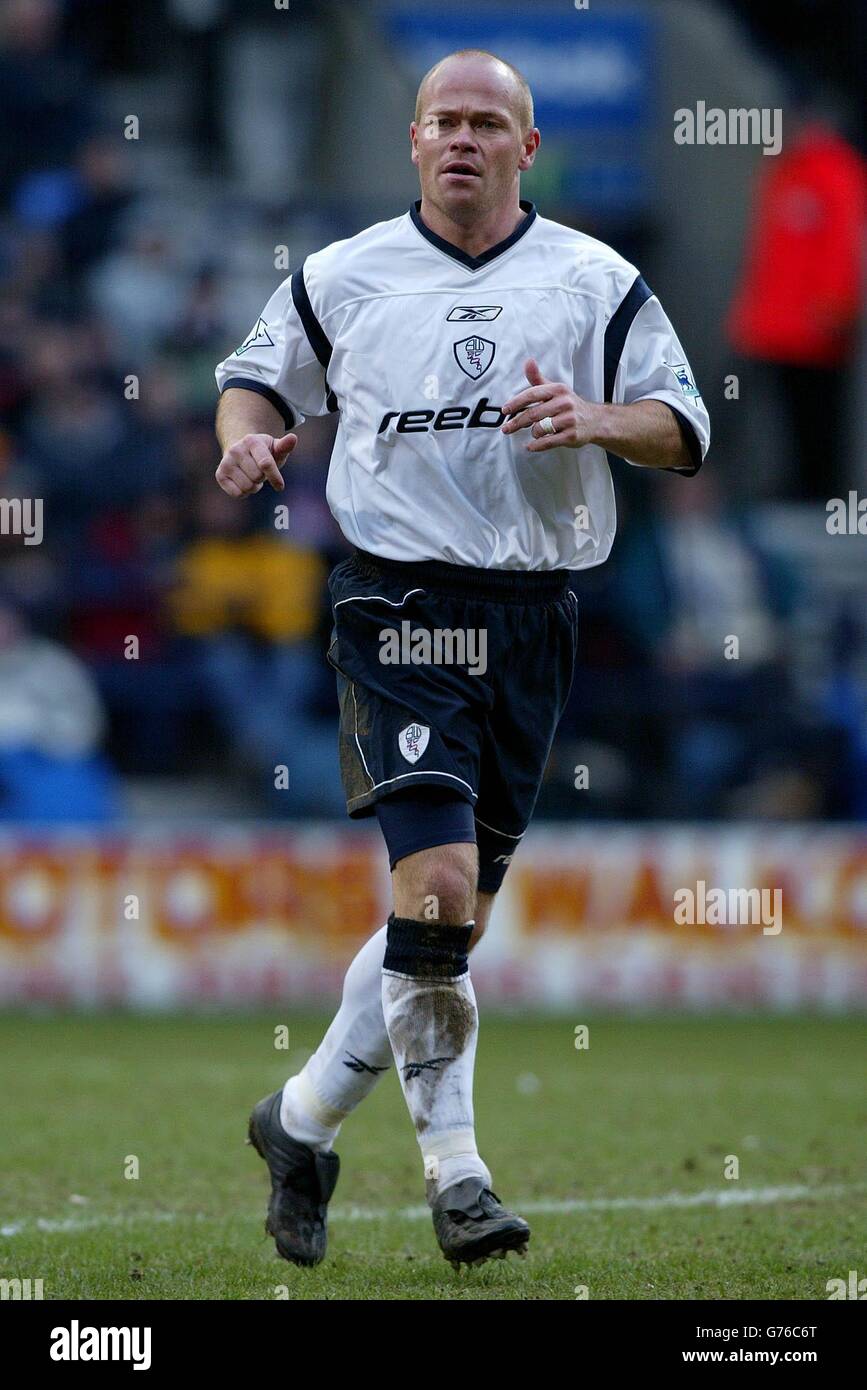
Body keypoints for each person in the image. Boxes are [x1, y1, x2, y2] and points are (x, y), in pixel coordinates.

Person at [213, 49, 710, 1269]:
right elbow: (252, 387)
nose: (463, 140)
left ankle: (301, 1119)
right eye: (445, 121)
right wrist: (244, 446)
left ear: (526, 147)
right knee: (433, 885)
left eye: (490, 123)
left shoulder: (597, 280)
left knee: (444, 922)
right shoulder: (344, 275)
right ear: (416, 138)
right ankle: (462, 1180)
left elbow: (686, 426)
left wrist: (597, 420)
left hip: (536, 614)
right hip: (398, 603)